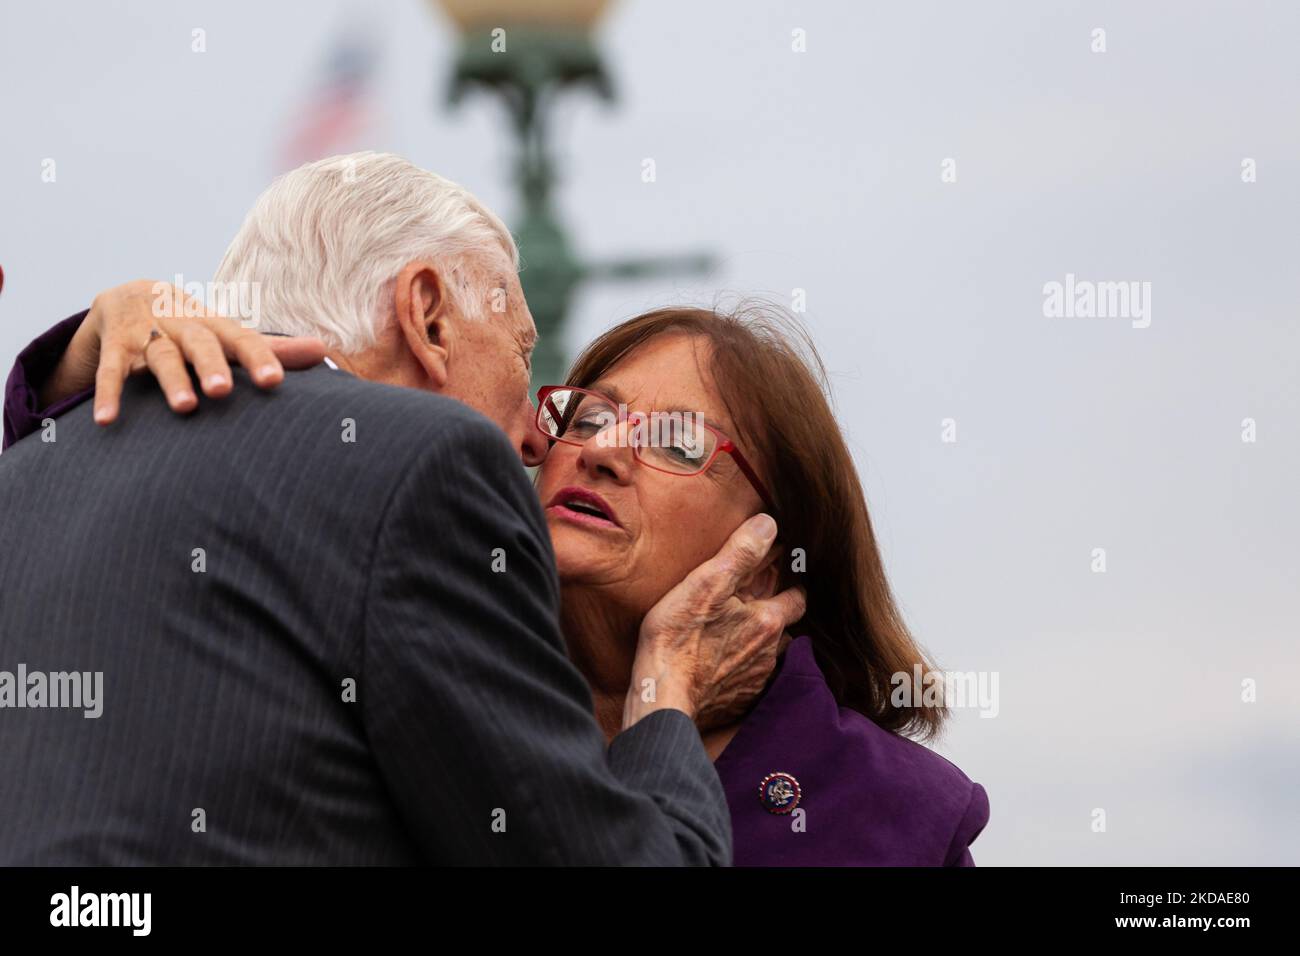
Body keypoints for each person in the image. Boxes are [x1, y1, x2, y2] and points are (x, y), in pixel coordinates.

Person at [0, 153, 806, 865]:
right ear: (427, 317)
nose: (535, 438)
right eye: (523, 355)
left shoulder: (30, 470)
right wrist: (667, 690)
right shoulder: (423, 469)